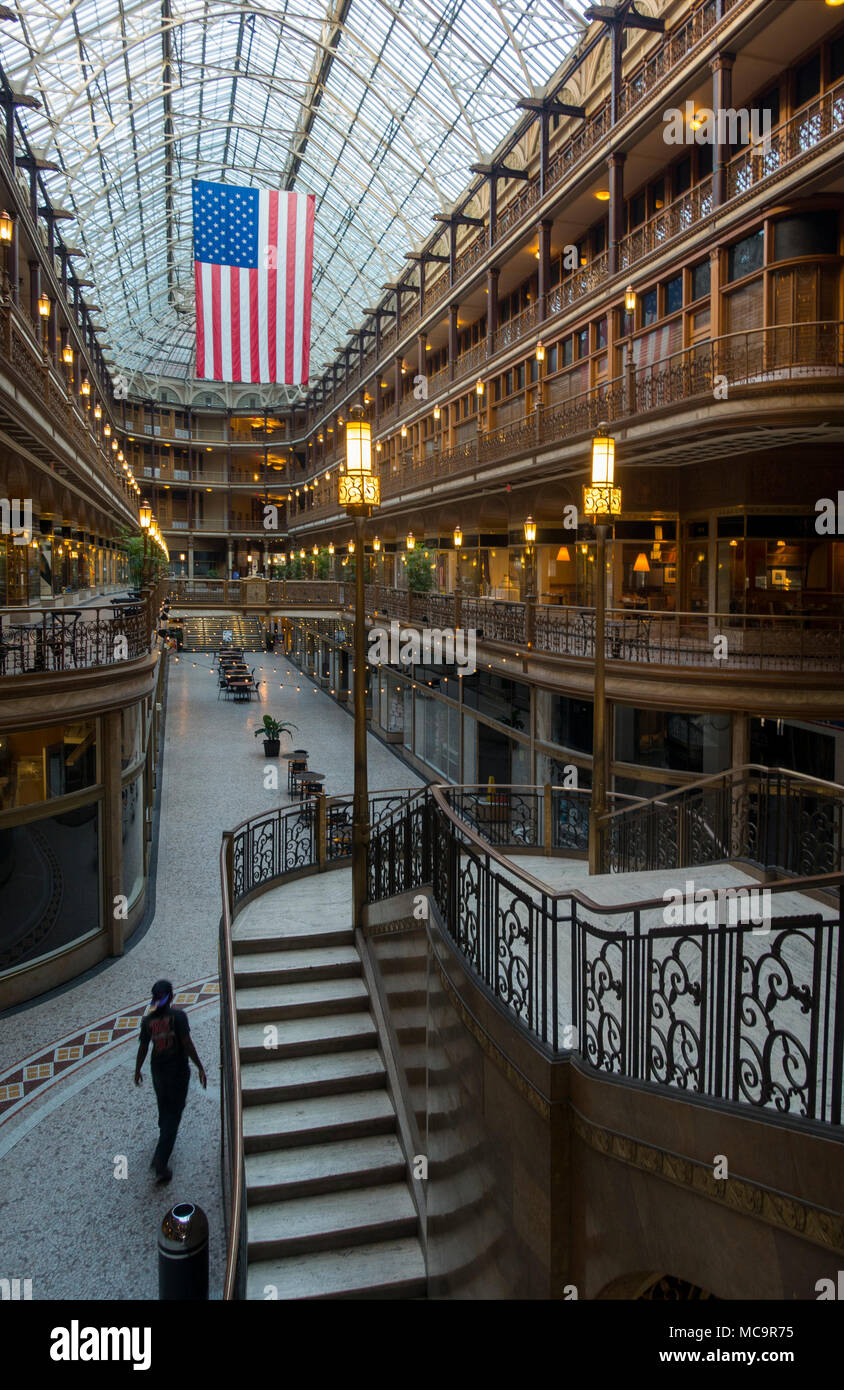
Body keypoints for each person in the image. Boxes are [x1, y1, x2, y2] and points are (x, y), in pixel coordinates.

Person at [134, 979, 207, 1184]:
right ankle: (161, 1160)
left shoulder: (148, 1022)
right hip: (177, 1071)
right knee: (174, 1113)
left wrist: (138, 1069)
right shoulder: (178, 1017)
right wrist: (200, 1066)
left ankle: (163, 1130)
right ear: (171, 996)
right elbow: (187, 1043)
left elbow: (143, 1048)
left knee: (164, 1104)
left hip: (158, 1069)